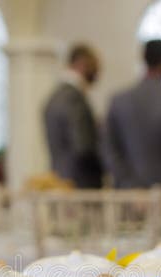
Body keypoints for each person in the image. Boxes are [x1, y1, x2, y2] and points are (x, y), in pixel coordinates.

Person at [104, 39, 161, 188]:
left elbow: (109, 149)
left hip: (127, 196)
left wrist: (129, 185)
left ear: (143, 58)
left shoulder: (119, 101)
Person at [43, 44, 103, 189]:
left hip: (61, 178)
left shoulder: (55, 96)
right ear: (81, 64)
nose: (97, 73)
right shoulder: (74, 98)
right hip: (79, 183)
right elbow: (83, 146)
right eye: (94, 66)